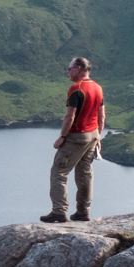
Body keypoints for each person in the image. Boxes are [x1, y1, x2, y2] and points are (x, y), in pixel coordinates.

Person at [41, 56, 105, 223]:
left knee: (59, 172)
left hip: (77, 136)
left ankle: (59, 211)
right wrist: (98, 136)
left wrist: (62, 137)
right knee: (84, 173)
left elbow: (70, 117)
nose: (68, 72)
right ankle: (83, 211)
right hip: (92, 135)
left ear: (78, 68)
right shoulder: (97, 88)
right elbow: (101, 116)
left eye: (69, 69)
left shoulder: (77, 89)